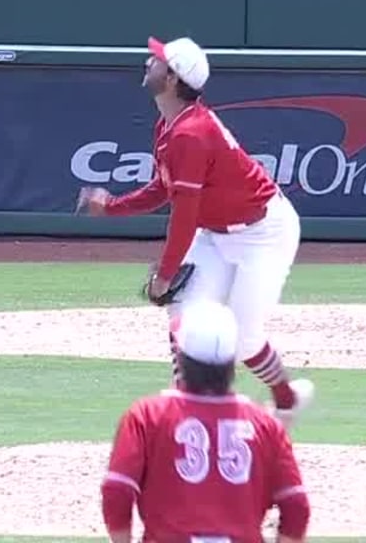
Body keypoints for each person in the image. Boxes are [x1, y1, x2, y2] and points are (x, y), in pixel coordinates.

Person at [78, 36, 314, 427]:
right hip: (216, 233)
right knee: (183, 312)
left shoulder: (190, 133)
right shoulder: (171, 125)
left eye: (157, 61)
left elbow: (184, 215)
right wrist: (114, 208)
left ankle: (285, 399)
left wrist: (166, 273)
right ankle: (188, 409)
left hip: (264, 233)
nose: (148, 63)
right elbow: (163, 188)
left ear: (172, 78)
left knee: (243, 340)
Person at [102, 300, 311, 543]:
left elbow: (117, 491)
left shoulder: (147, 415)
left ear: (180, 357)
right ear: (232, 363)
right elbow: (296, 505)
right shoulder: (266, 425)